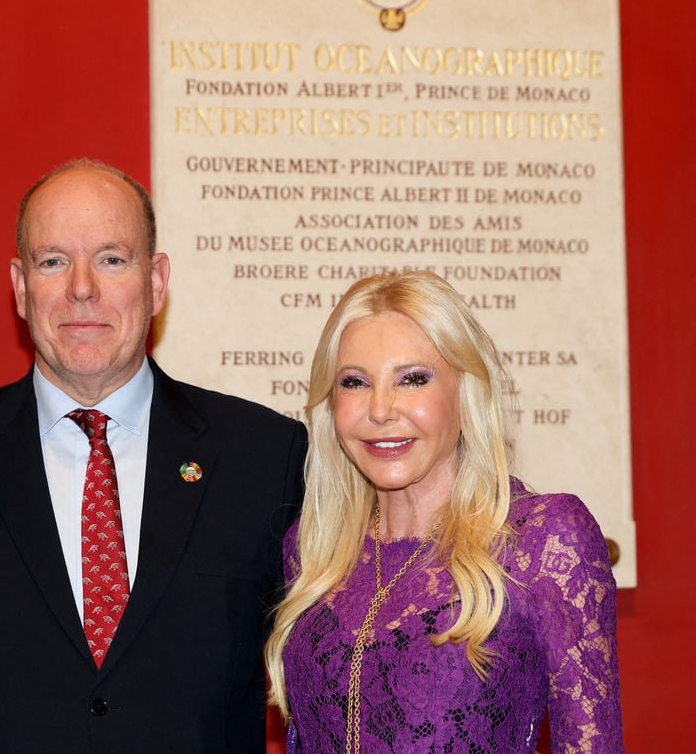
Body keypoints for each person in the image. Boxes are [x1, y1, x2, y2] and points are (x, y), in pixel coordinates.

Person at [0, 159, 306, 753]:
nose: (82, 288)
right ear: (21, 288)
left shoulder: (265, 456)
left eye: (111, 259)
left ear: (156, 282)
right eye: (53, 262)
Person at [264, 271, 623, 753]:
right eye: (354, 382)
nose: (381, 409)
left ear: (464, 393)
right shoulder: (313, 548)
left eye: (412, 379)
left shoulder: (541, 539)